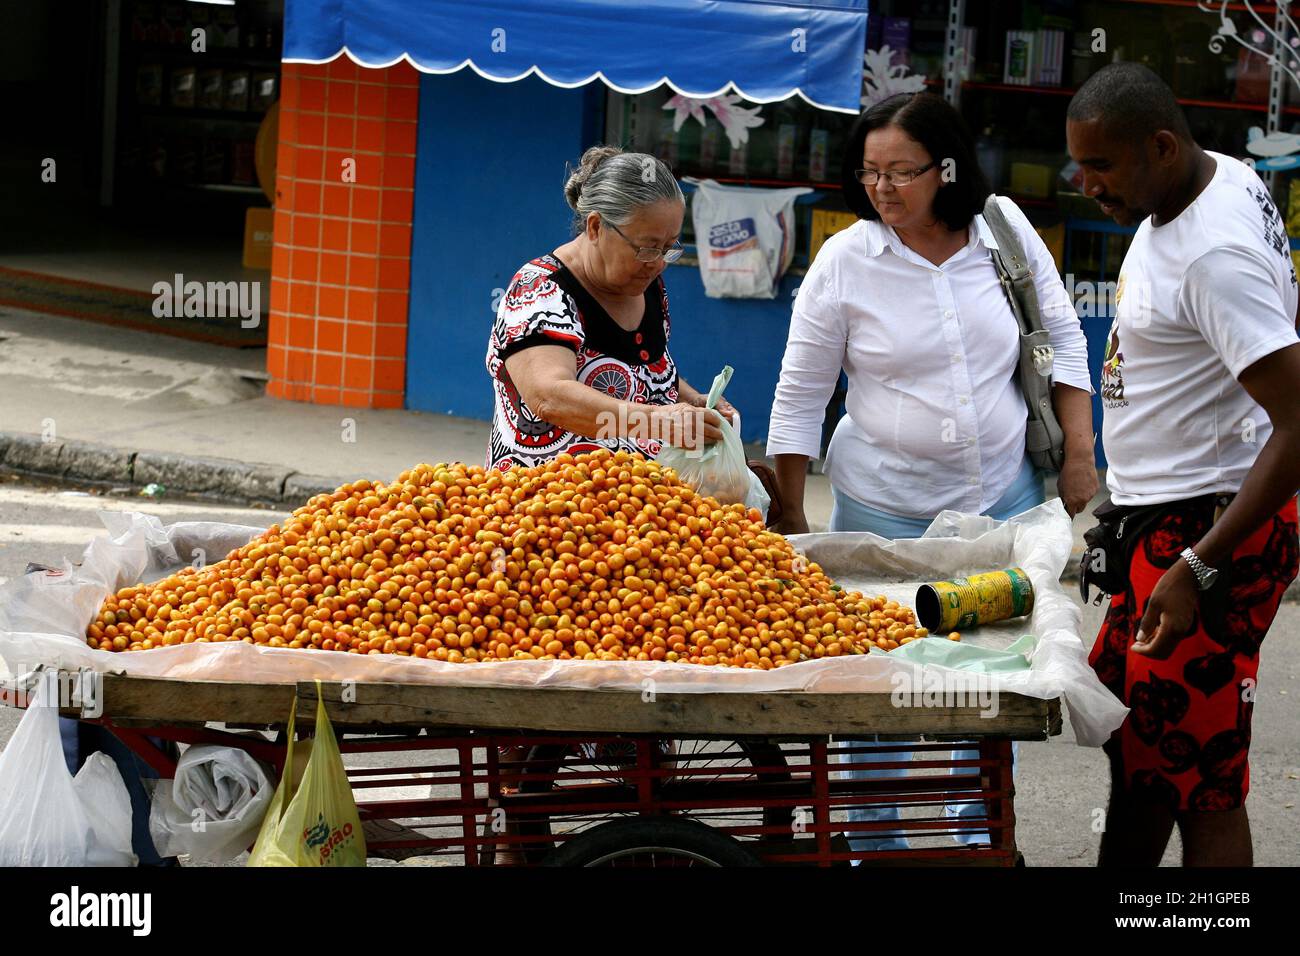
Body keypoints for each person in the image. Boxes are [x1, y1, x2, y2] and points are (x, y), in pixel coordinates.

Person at [765, 92, 1098, 854]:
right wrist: (791, 510)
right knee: (880, 693)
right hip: (882, 516)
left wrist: (1080, 453)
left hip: (999, 511)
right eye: (870, 172)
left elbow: (1064, 342)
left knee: (983, 692)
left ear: (946, 170)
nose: (882, 188)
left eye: (901, 172)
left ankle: (975, 840)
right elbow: (801, 394)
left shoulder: (1005, 232)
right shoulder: (846, 262)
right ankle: (875, 843)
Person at [1067, 63, 1300, 867]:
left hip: (1208, 531)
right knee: (1144, 754)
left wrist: (1200, 564)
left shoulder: (1213, 257)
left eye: (1100, 166)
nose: (1084, 184)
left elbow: (1299, 419)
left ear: (1162, 146)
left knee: (1199, 778)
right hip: (1164, 522)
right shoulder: (1209, 180)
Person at [485, 145, 735, 471]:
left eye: (669, 246)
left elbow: (649, 372)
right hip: (545, 503)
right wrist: (657, 421)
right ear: (595, 227)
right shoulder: (540, 290)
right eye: (646, 248)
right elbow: (548, 395)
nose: (658, 263)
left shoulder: (646, 284)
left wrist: (692, 400)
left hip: (633, 503)